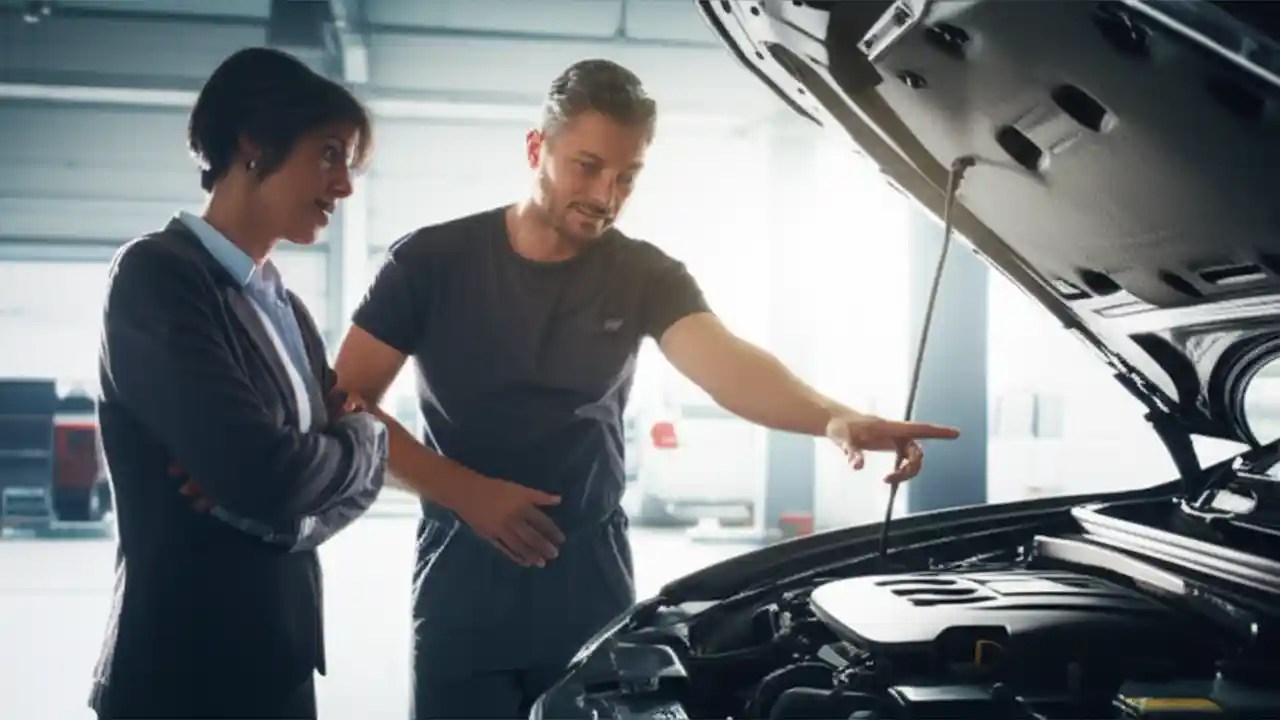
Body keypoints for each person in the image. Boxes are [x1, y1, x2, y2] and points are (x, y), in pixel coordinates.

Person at [334, 59, 960, 718]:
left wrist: (834, 418)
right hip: (462, 579)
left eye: (627, 177)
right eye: (587, 166)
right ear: (535, 149)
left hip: (589, 580)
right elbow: (345, 401)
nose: (606, 195)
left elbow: (728, 364)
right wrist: (467, 493)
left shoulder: (643, 273)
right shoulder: (430, 263)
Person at [89, 47, 388, 720]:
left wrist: (349, 451)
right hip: (180, 672)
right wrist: (359, 439)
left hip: (280, 664)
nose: (344, 185)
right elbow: (264, 473)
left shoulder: (286, 306)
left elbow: (346, 485)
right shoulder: (157, 278)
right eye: (330, 154)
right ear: (254, 145)